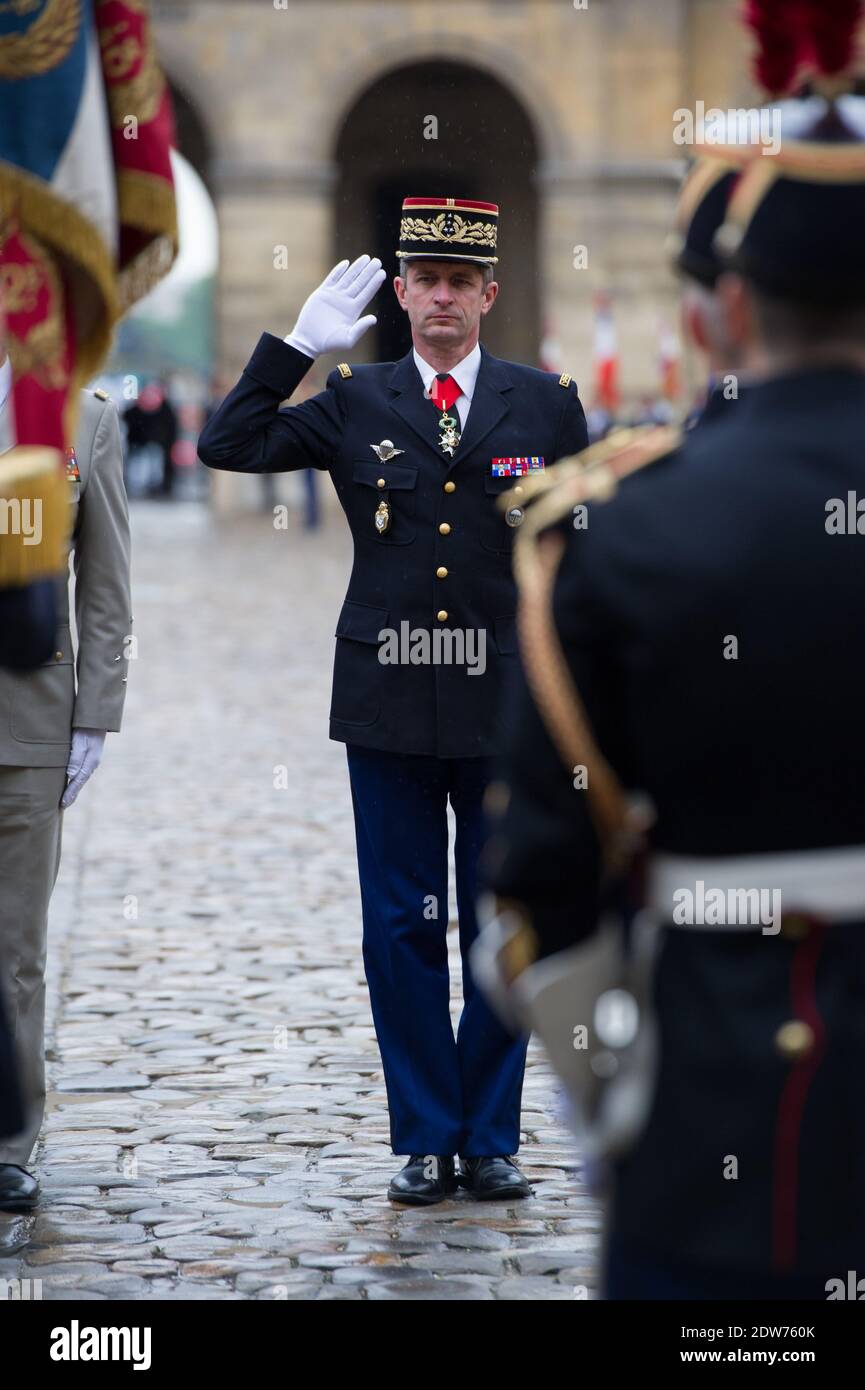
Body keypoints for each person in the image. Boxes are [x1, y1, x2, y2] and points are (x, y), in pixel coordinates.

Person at [480, 93, 865, 1296]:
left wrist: (619, 1101)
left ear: (727, 310)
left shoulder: (613, 525)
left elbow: (543, 884)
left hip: (723, 1102)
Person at [198, 195, 589, 1204]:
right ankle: (424, 1132)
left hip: (505, 705)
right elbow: (228, 444)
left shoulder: (545, 403)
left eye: (463, 282)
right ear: (402, 292)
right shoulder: (357, 397)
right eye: (428, 281)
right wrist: (293, 349)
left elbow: (578, 562)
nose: (444, 298)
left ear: (488, 293)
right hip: (388, 700)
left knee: (497, 920)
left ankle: (489, 1133)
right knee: (399, 925)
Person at [0, 383, 132, 1211]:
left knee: (15, 948)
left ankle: (9, 1144)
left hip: (31, 718)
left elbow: (107, 579)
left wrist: (95, 714)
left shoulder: (84, 417)